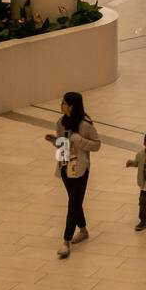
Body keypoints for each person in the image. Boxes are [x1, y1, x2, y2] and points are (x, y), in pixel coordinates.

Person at [45, 92, 101, 257]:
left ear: (71, 106)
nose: (61, 105)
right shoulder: (60, 122)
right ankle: (83, 230)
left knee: (73, 204)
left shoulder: (85, 125)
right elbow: (63, 145)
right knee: (74, 202)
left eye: (64, 103)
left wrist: (80, 140)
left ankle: (66, 241)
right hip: (65, 167)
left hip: (80, 169)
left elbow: (97, 145)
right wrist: (54, 140)